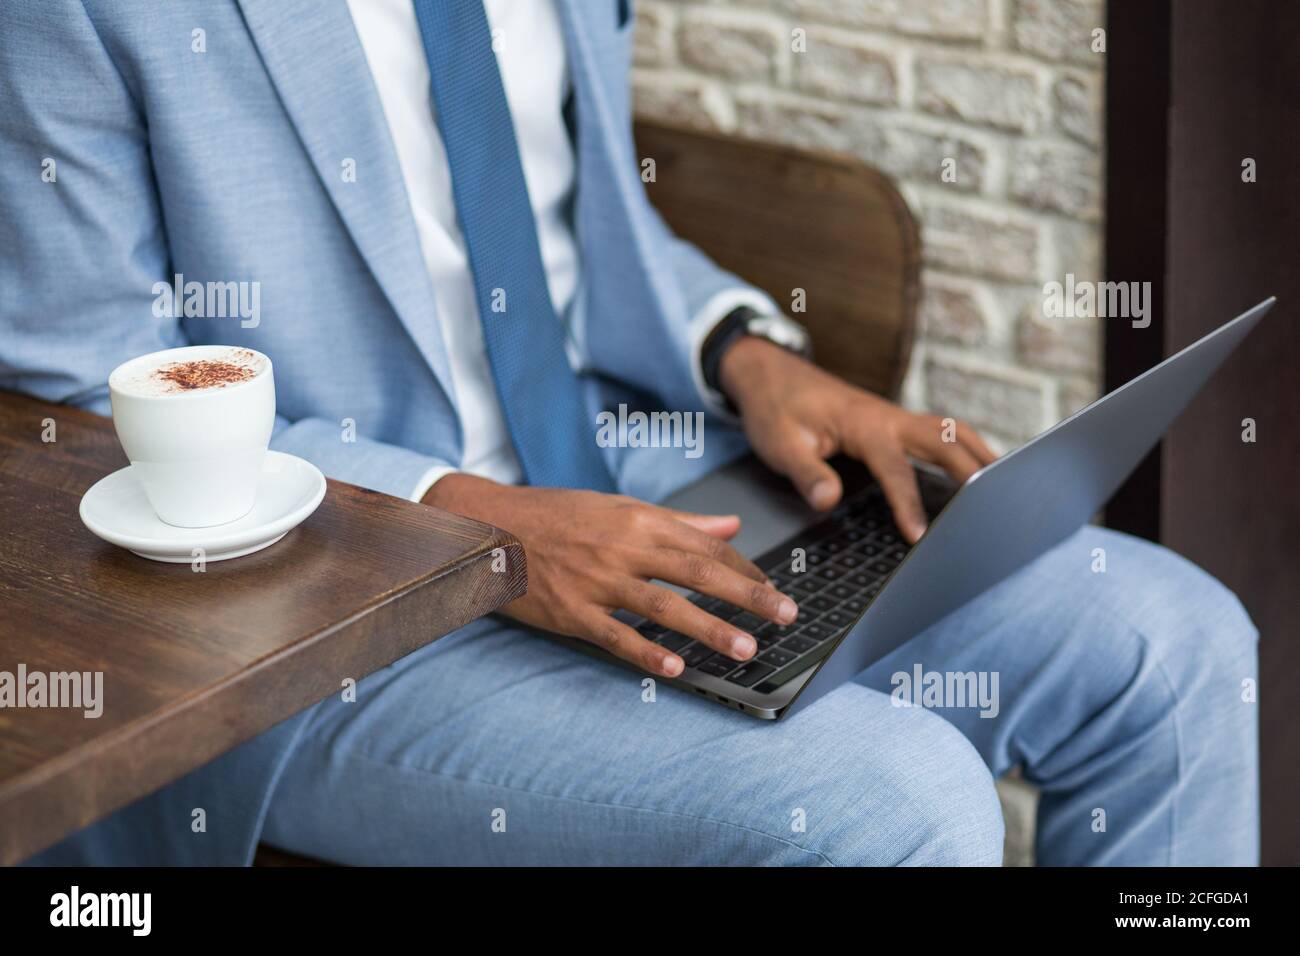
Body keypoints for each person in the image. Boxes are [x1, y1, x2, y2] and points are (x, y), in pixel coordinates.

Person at [1, 0, 1257, 866]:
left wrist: (745, 355)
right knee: (898, 798)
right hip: (306, 603)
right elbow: (80, 395)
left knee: (1175, 645)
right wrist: (479, 526)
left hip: (622, 462)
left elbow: (573, 223)